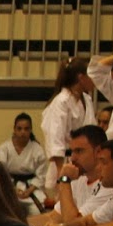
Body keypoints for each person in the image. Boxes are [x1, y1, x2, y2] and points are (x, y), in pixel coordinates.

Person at [40, 56, 96, 191]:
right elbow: (55, 139)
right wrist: (61, 173)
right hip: (65, 162)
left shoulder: (86, 100)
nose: (95, 80)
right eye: (92, 76)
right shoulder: (61, 102)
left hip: (85, 163)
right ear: (81, 77)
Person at [0, 113, 49, 215]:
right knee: (4, 209)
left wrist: (28, 191)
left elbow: (42, 176)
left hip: (31, 187)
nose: (22, 132)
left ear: (30, 130)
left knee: (36, 211)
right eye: (19, 129)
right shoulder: (4, 149)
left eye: (26, 129)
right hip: (9, 186)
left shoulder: (37, 149)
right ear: (14, 130)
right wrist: (13, 190)